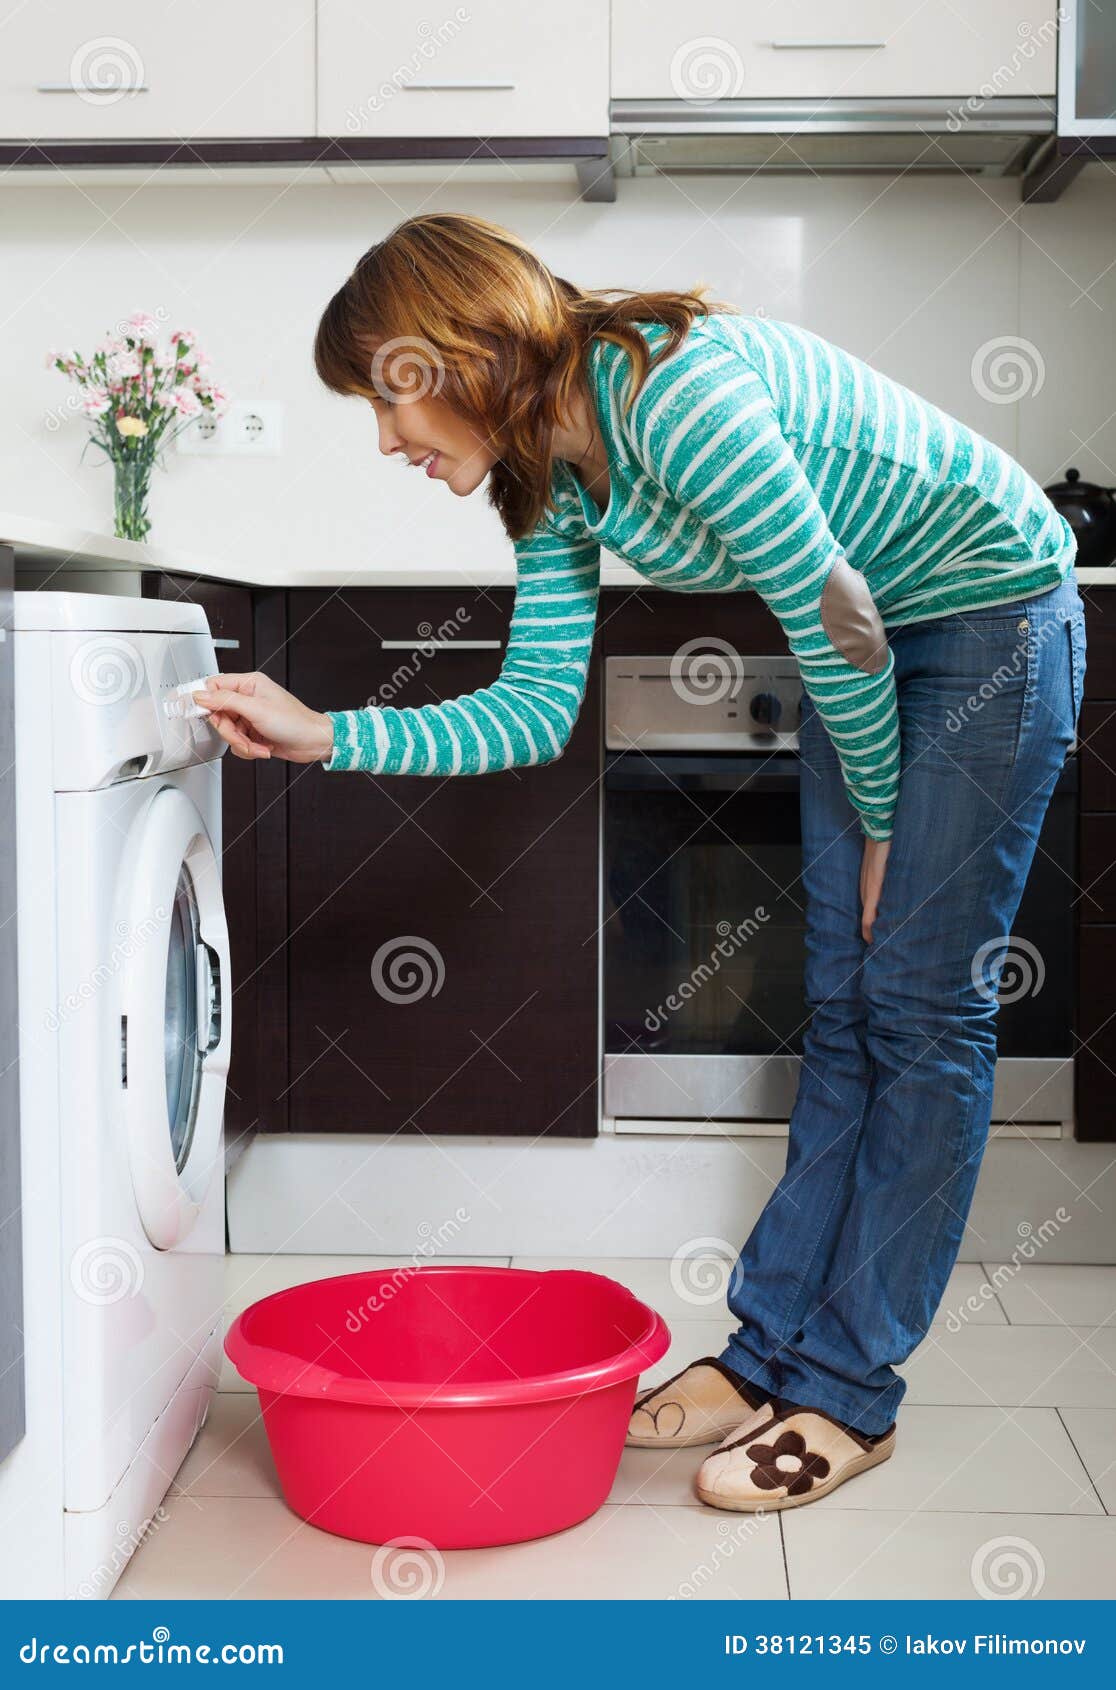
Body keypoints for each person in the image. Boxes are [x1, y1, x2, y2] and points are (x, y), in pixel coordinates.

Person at [197, 213, 1086, 1512]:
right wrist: (325, 730)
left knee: (921, 1008)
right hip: (872, 643)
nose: (387, 440)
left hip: (988, 614)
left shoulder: (671, 387)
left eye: (387, 396)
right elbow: (533, 706)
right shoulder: (547, 477)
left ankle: (848, 1389)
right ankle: (770, 1351)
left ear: (460, 343)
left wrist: (888, 824)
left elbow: (827, 606)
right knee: (840, 1006)